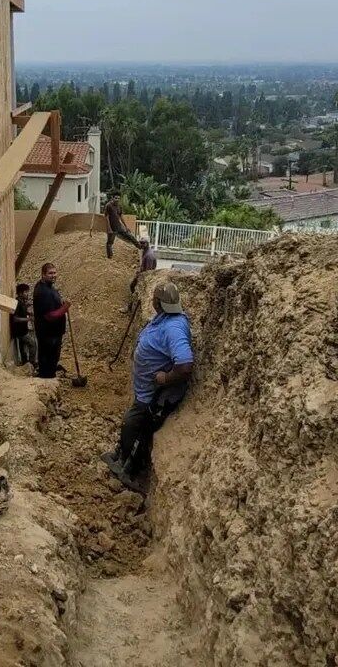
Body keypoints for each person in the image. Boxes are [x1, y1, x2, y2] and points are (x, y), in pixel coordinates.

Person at [102, 281, 193, 493]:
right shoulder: (164, 318)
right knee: (132, 424)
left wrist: (166, 378)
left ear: (157, 303)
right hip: (145, 390)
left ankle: (130, 470)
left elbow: (185, 365)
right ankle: (120, 456)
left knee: (136, 426)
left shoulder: (174, 327)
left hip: (158, 395)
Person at [33, 262, 69, 379]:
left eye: (54, 272)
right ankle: (47, 378)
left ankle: (49, 372)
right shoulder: (43, 292)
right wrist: (65, 308)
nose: (53, 275)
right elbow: (50, 316)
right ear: (43, 275)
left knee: (50, 357)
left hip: (53, 332)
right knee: (48, 357)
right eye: (50, 273)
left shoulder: (46, 286)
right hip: (48, 334)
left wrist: (60, 304)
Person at [104, 190, 141, 258]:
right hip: (111, 227)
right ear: (112, 198)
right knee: (110, 243)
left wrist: (126, 226)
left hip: (118, 226)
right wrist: (109, 228)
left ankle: (140, 246)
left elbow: (121, 216)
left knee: (129, 235)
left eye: (118, 198)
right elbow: (106, 217)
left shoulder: (119, 206)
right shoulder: (108, 205)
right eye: (116, 198)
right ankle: (109, 256)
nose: (117, 200)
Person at [10, 283, 37, 368]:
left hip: (22, 330)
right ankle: (32, 363)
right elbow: (15, 319)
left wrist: (29, 313)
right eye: (26, 292)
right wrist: (29, 319)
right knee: (32, 344)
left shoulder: (21, 302)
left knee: (23, 348)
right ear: (21, 293)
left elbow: (23, 312)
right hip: (20, 331)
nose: (27, 294)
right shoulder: (18, 303)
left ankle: (25, 363)